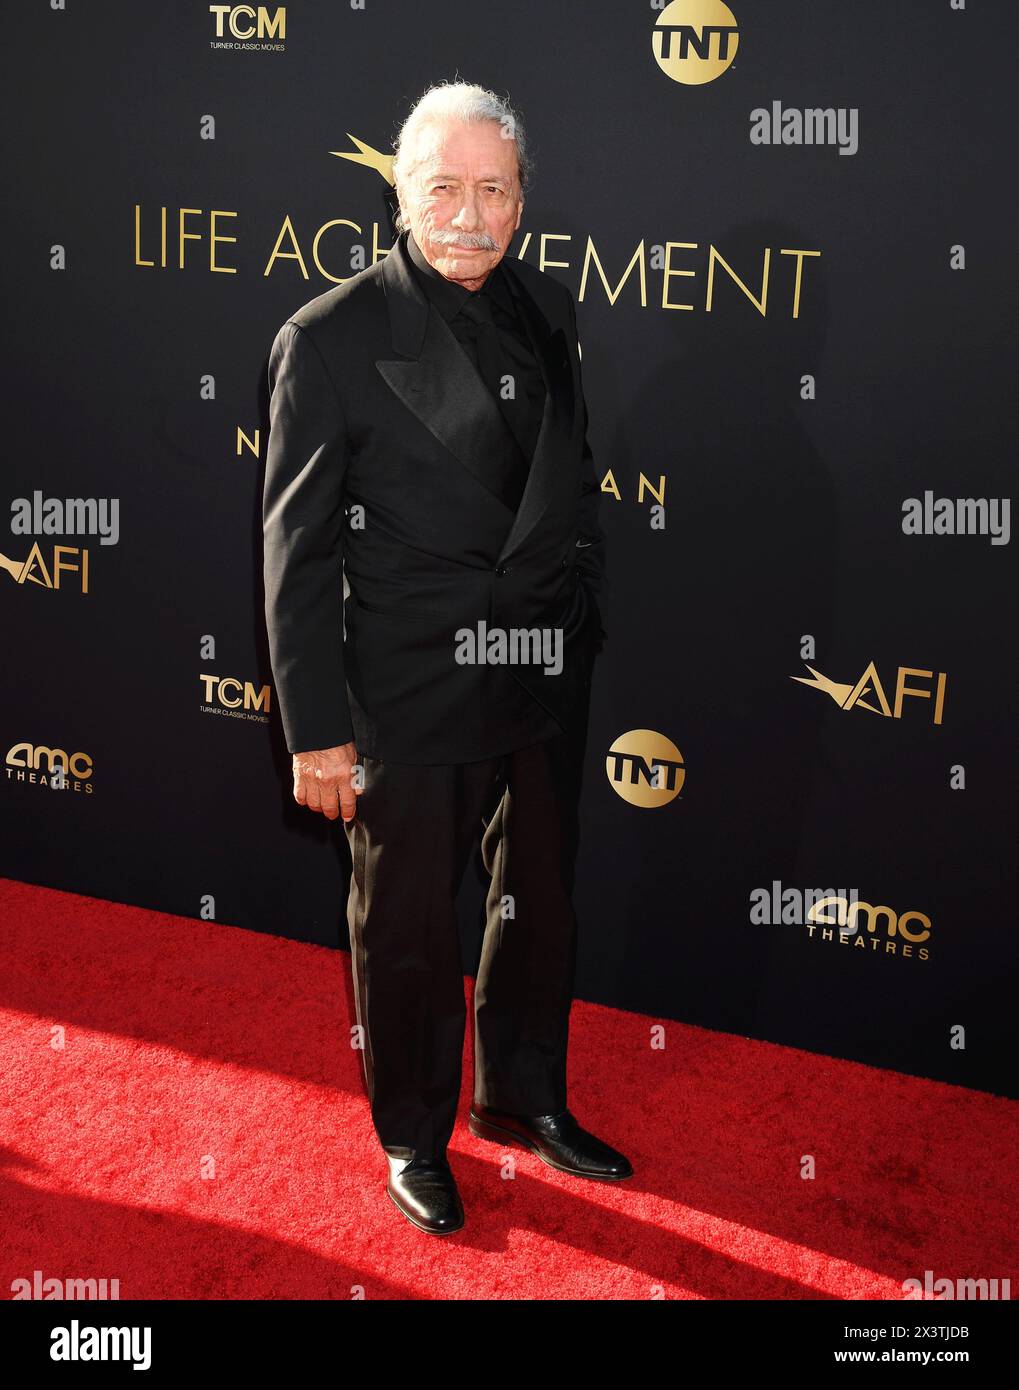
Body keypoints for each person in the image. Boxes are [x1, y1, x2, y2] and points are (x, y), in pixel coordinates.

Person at [262, 80, 632, 1236]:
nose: (467, 214)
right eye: (442, 189)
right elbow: (297, 551)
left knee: (538, 905)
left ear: (522, 200)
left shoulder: (550, 309)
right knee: (409, 923)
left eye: (492, 190)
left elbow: (567, 487)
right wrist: (317, 728)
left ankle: (523, 1096)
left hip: (539, 674)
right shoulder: (329, 339)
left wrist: (582, 619)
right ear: (397, 194)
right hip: (412, 683)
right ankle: (412, 1134)